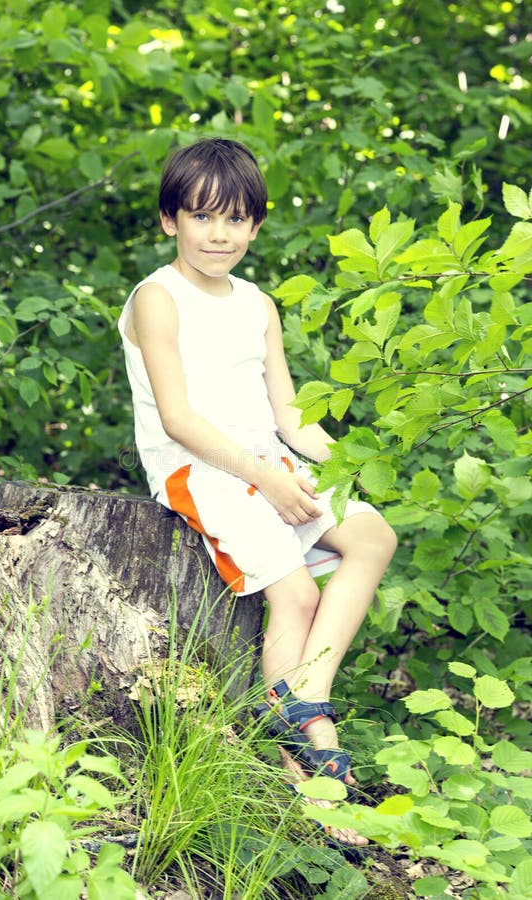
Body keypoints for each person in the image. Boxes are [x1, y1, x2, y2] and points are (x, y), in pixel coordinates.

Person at [118, 137, 397, 847]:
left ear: (256, 225)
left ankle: (303, 696)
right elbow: (178, 418)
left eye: (236, 219)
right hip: (199, 469)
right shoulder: (158, 298)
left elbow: (291, 415)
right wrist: (266, 477)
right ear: (170, 220)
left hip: (269, 460)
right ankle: (313, 781)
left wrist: (350, 463)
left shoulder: (258, 303)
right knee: (295, 594)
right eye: (202, 216)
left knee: (373, 535)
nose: (220, 234)